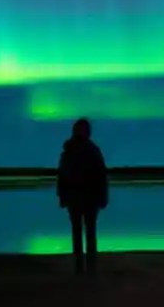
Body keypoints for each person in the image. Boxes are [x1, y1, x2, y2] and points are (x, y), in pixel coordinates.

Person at [56, 117, 108, 275]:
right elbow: (63, 176)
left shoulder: (76, 150)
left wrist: (62, 196)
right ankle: (86, 266)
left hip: (82, 198)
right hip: (82, 198)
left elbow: (100, 175)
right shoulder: (86, 150)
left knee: (81, 232)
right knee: (85, 232)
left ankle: (83, 266)